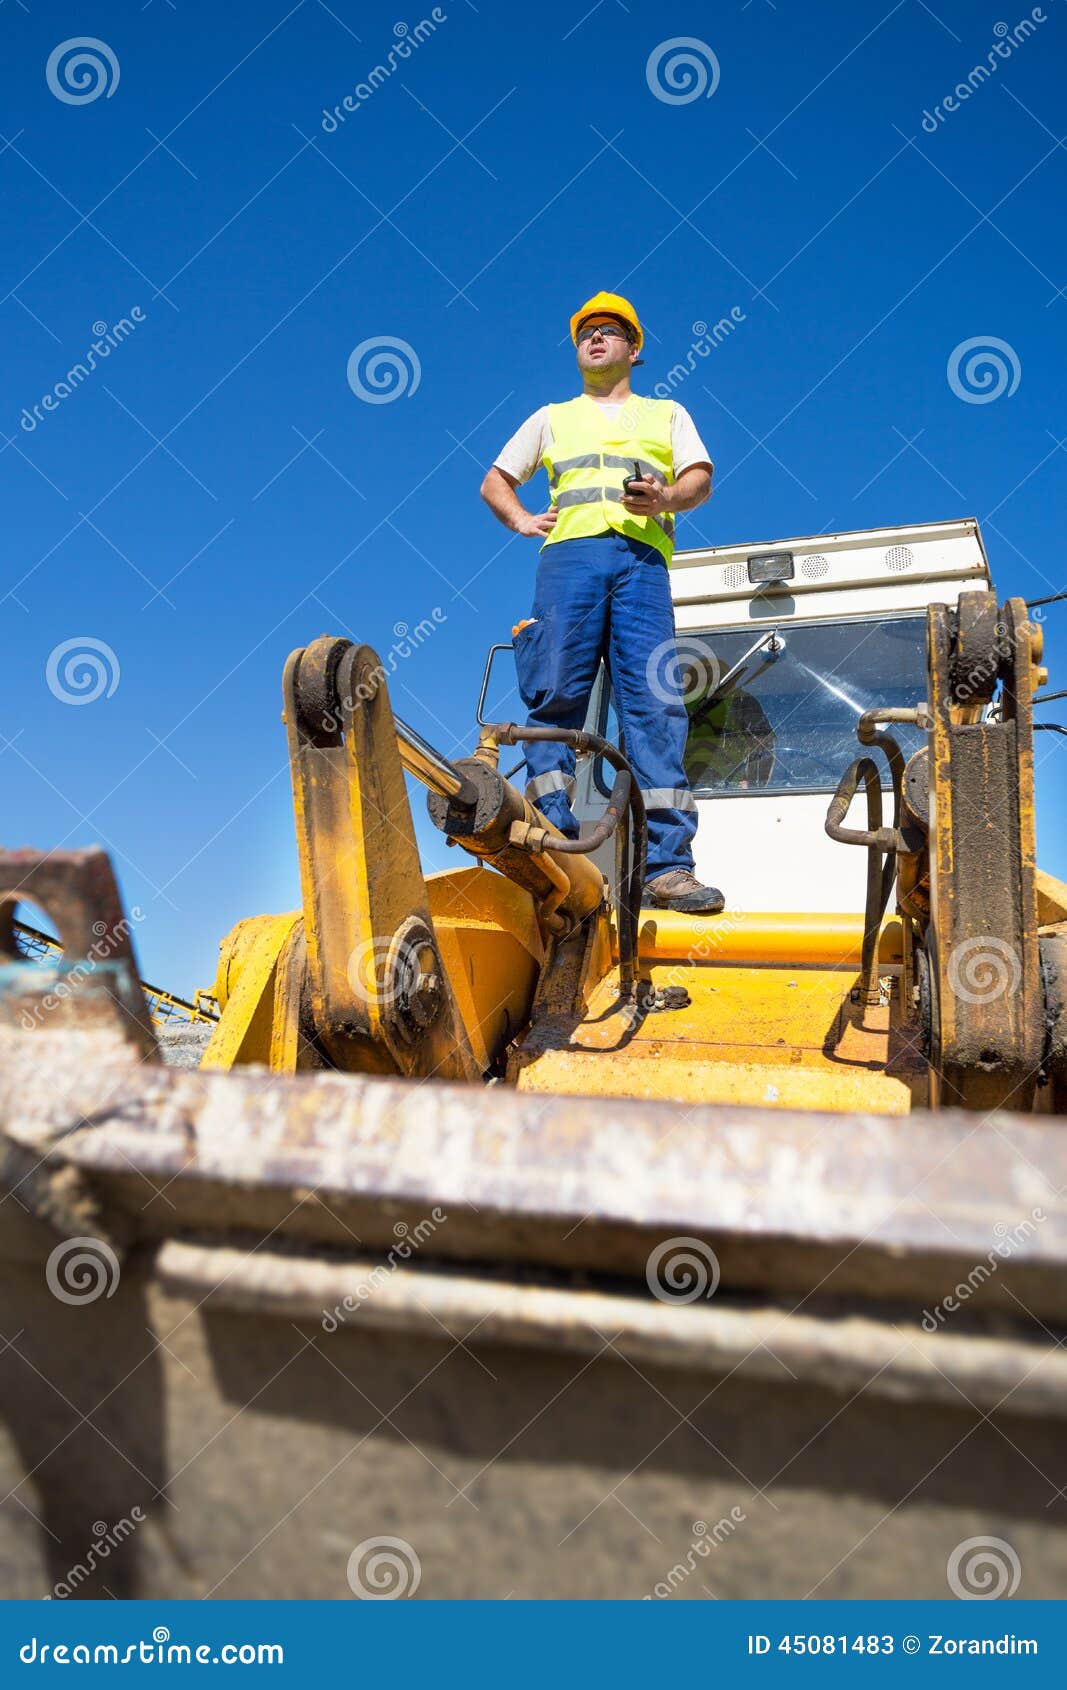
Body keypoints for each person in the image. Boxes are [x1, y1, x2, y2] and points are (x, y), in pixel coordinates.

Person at [480, 291, 725, 914]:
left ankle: (667, 869)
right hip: (569, 561)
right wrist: (524, 521)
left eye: (610, 331)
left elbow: (699, 478)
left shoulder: (667, 412)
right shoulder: (551, 417)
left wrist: (664, 499)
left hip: (641, 565)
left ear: (633, 349)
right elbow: (495, 482)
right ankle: (556, 840)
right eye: (586, 332)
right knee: (555, 695)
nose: (596, 339)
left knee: (653, 705)